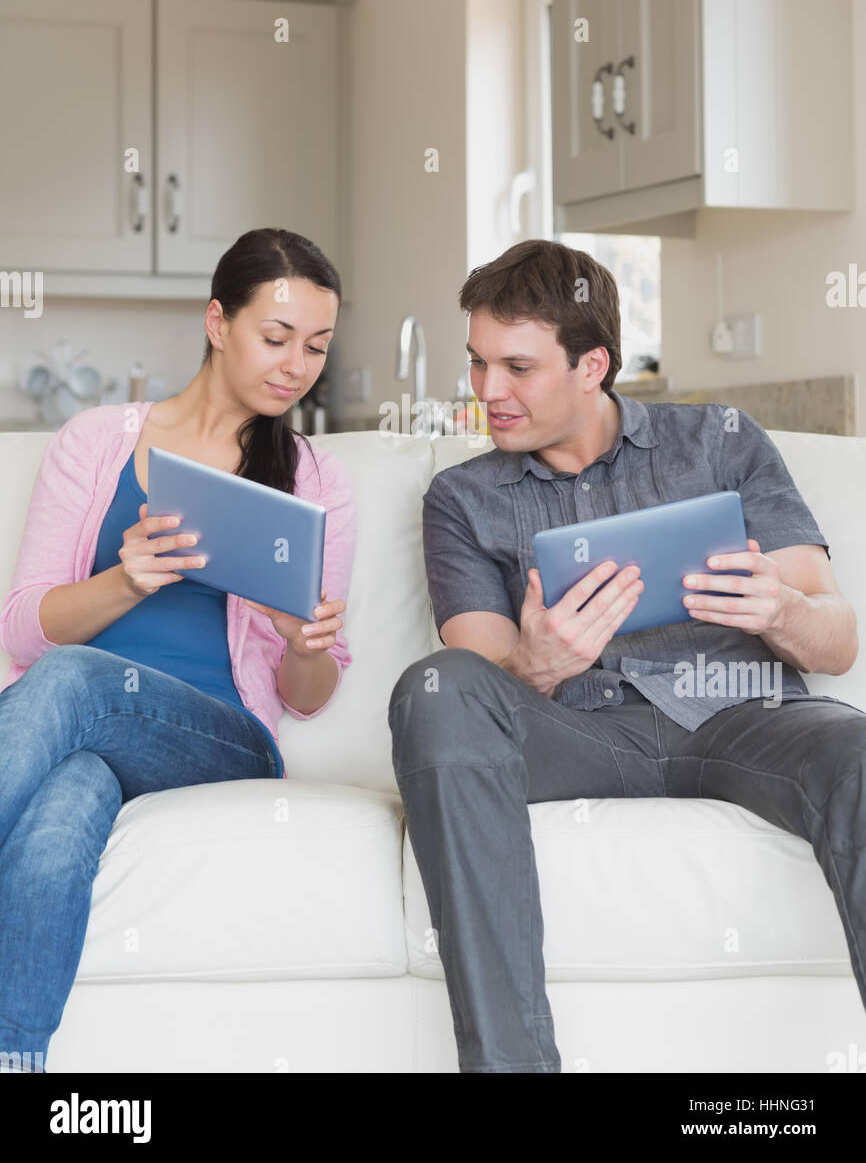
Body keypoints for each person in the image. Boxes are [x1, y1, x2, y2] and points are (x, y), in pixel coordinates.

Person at [389, 238, 864, 1075]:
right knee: (433, 688)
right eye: (478, 363)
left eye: (517, 367)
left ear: (593, 366)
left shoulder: (718, 443)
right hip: (579, 735)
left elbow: (839, 639)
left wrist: (782, 610)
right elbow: (476, 689)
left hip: (742, 713)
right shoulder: (462, 499)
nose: (487, 391)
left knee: (858, 750)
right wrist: (537, 663)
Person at [0, 228, 356, 1072]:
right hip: (86, 726)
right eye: (276, 338)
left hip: (220, 737)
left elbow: (308, 694)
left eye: (316, 347)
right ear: (217, 322)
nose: (296, 366)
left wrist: (301, 640)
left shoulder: (313, 479)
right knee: (61, 812)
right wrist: (126, 581)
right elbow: (20, 630)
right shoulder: (94, 442)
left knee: (75, 679)